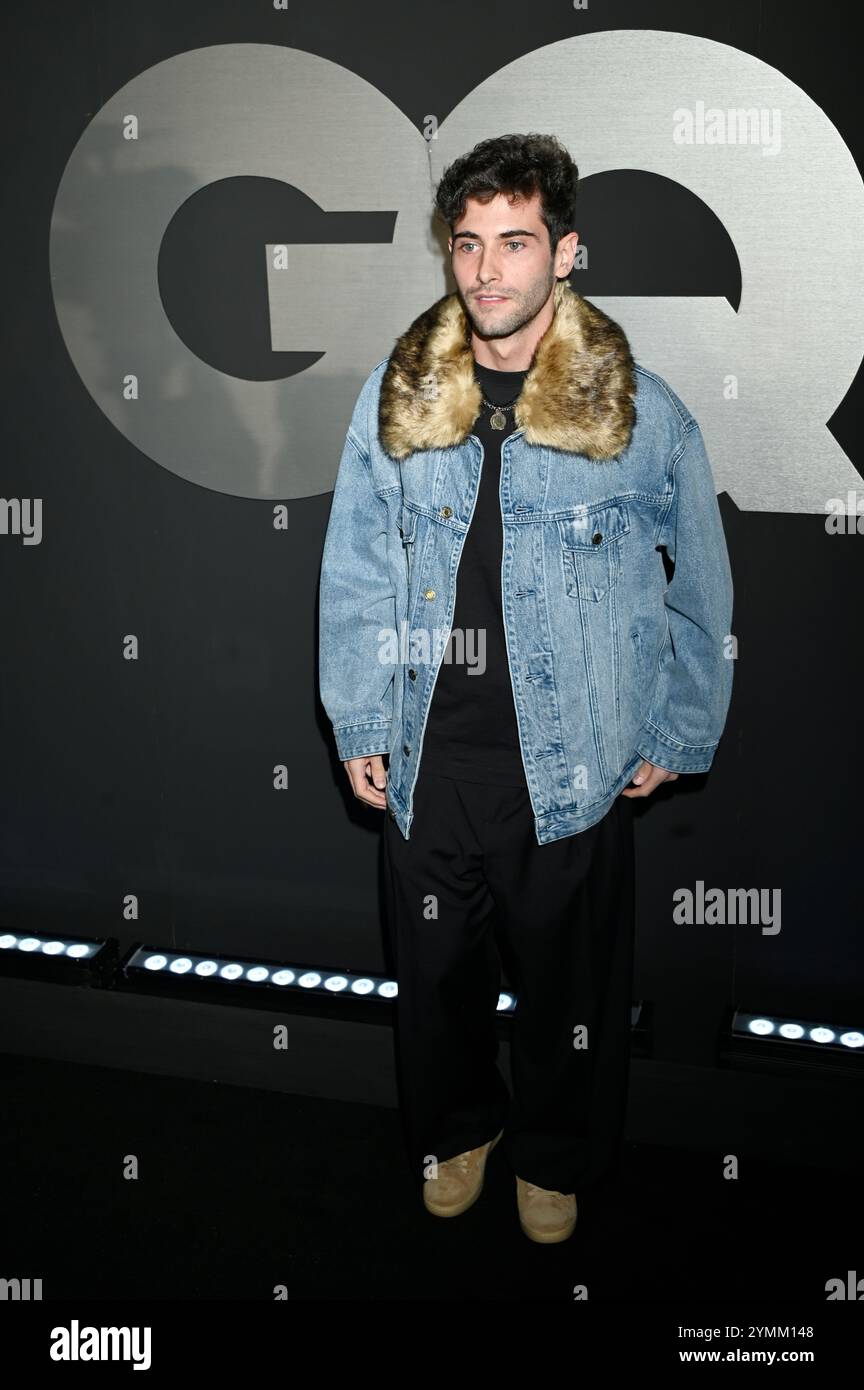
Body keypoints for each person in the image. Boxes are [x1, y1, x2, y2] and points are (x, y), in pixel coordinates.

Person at [318, 133, 734, 1243]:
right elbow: (355, 565)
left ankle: (554, 1154)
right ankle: (459, 1128)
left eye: (515, 241)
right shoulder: (397, 397)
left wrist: (679, 725)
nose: (488, 269)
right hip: (427, 757)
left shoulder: (644, 414)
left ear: (567, 252)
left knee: (569, 995)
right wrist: (359, 712)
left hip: (575, 761)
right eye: (468, 243)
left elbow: (704, 587)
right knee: (436, 979)